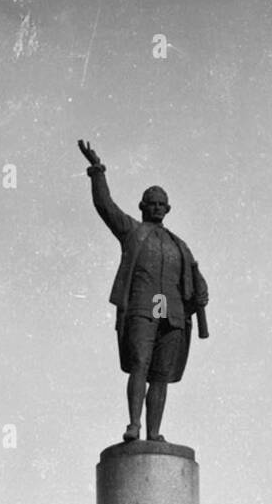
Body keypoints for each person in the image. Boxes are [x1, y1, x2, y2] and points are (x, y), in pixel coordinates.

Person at [78, 139, 208, 442]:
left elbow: (194, 282)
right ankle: (134, 425)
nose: (157, 207)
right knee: (139, 363)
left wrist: (200, 295)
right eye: (152, 203)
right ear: (142, 206)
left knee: (161, 375)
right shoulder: (133, 231)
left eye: (162, 204)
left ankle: (154, 432)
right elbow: (105, 206)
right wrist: (97, 171)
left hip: (169, 311)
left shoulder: (180, 245)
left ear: (169, 208)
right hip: (142, 305)